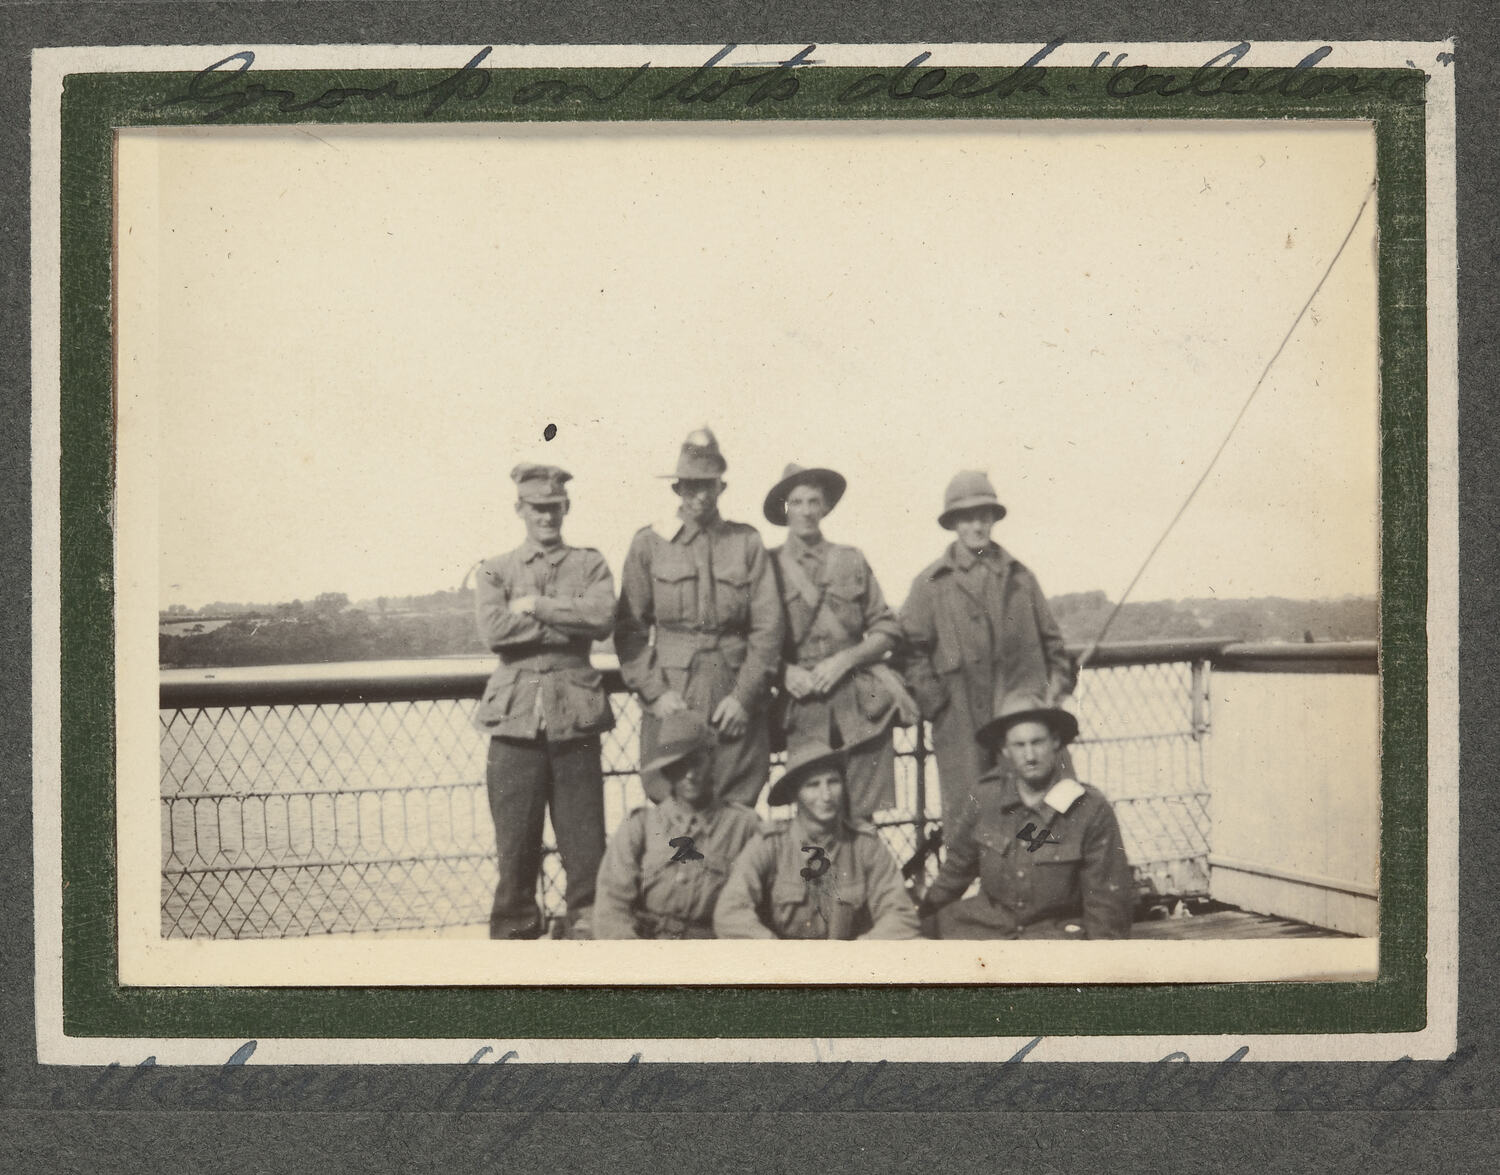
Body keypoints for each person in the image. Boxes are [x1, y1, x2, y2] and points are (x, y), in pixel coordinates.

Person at [472, 463, 616, 940]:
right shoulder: (495, 568)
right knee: (515, 848)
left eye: (554, 507)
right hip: (514, 723)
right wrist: (565, 620)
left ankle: (587, 938)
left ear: (566, 507)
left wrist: (534, 607)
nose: (547, 516)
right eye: (537, 507)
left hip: (575, 721)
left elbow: (600, 620)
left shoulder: (590, 564)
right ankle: (514, 943)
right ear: (520, 509)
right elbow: (494, 630)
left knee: (585, 845)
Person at [615, 427, 783, 807]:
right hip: (675, 695)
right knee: (673, 806)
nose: (700, 495)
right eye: (690, 486)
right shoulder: (650, 544)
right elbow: (629, 631)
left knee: (737, 806)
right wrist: (656, 695)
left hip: (733, 693)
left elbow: (768, 628)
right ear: (677, 488)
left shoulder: (746, 543)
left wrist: (743, 697)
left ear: (722, 486)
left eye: (708, 485)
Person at [899, 470, 1075, 819]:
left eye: (983, 516)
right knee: (971, 816)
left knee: (1045, 814)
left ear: (994, 519)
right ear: (953, 524)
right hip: (962, 725)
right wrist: (938, 705)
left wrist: (1049, 699)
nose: (977, 526)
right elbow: (909, 652)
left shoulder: (1020, 579)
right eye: (966, 518)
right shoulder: (930, 584)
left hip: (1023, 722)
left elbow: (1056, 649)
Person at [762, 463, 917, 821]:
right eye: (796, 502)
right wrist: (783, 672)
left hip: (861, 708)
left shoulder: (851, 559)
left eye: (813, 501)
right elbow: (751, 636)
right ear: (785, 509)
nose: (805, 510)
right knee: (814, 815)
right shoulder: (767, 566)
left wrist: (846, 659)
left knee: (862, 815)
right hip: (804, 708)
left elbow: (886, 629)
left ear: (825, 506)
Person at [916, 695, 1134, 940]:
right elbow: (956, 870)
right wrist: (921, 916)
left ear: (1055, 742)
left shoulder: (1090, 809)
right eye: (1019, 745)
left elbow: (1106, 903)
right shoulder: (986, 798)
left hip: (1053, 938)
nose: (1030, 755)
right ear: (1004, 749)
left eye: (1037, 742)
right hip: (990, 928)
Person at [713, 743, 921, 940]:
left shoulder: (864, 844)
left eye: (833, 782)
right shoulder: (771, 844)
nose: (826, 795)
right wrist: (774, 949)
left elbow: (901, 916)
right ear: (795, 794)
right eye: (813, 785)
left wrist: (859, 952)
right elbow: (729, 914)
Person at [593, 712, 762, 939]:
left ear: (712, 760)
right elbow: (611, 907)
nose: (690, 775)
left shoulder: (744, 826)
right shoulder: (641, 826)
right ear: (667, 770)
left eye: (697, 762)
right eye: (679, 766)